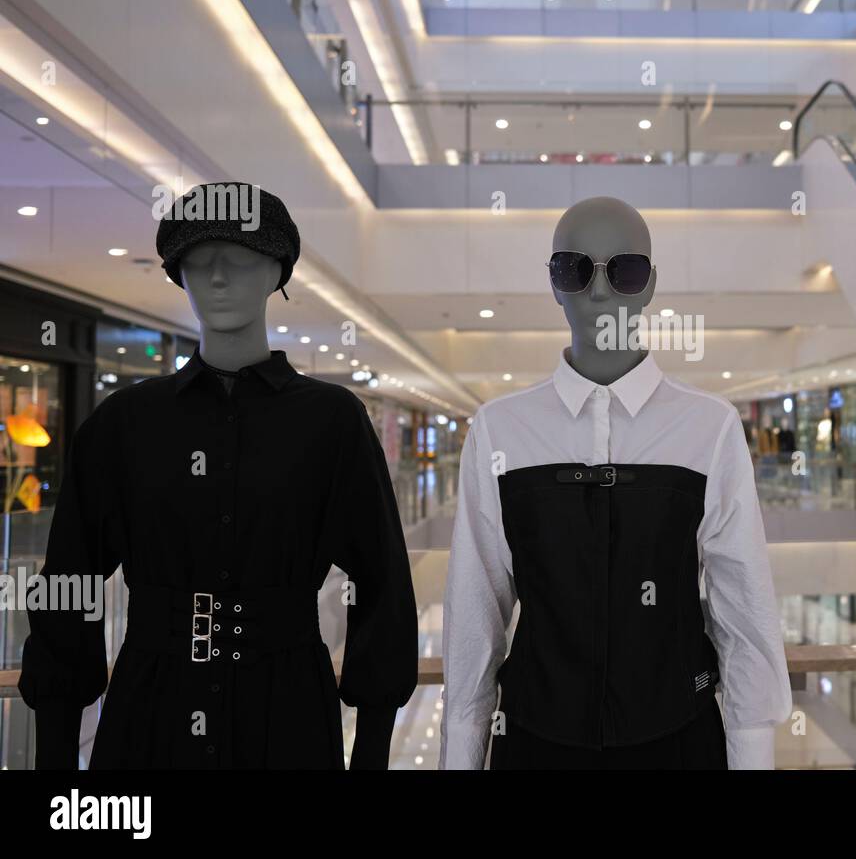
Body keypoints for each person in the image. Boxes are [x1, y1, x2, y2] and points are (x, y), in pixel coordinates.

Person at [20, 183, 418, 769]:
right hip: (149, 711)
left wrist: (373, 751)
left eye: (241, 259)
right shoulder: (124, 423)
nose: (218, 277)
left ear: (277, 271)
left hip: (289, 714)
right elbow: (68, 587)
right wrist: (55, 760)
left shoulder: (333, 421)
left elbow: (381, 582)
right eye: (199, 262)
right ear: (178, 274)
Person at [439, 197, 791, 769]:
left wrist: (752, 757)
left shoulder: (709, 427)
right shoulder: (501, 428)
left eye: (623, 270)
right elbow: (475, 610)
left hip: (678, 741)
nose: (599, 291)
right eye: (575, 268)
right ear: (554, 284)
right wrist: (462, 754)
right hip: (533, 742)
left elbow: (744, 609)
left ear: (649, 285)